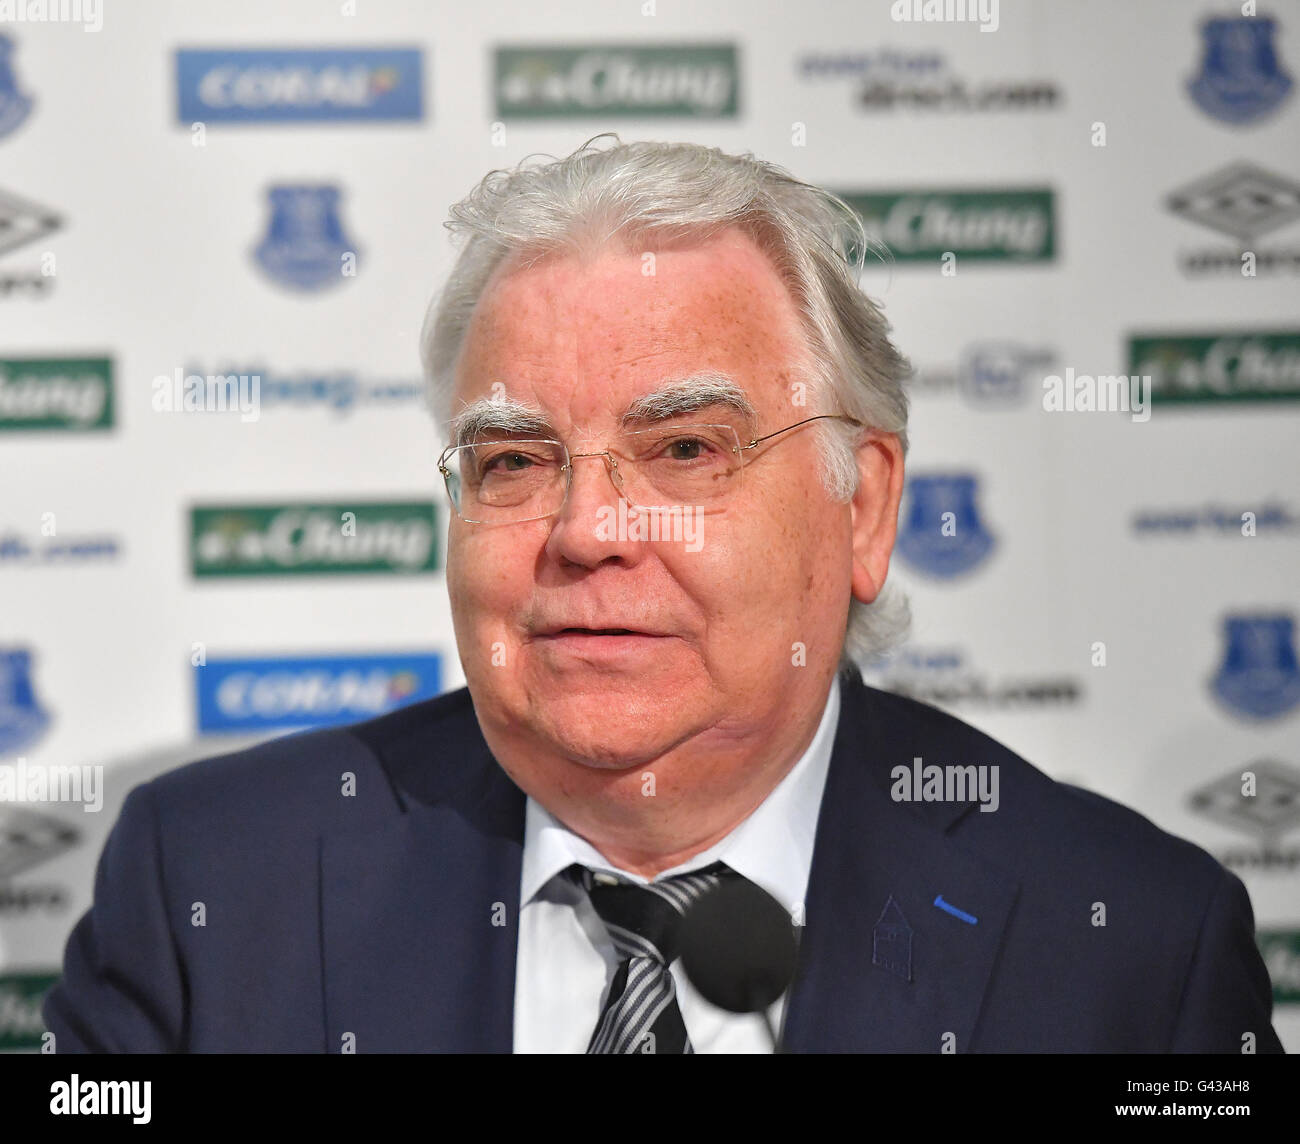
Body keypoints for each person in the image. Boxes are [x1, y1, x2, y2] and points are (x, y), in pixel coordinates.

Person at [43, 136, 1282, 1053]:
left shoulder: (1130, 948)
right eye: (515, 461)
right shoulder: (208, 889)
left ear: (863, 508)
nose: (588, 531)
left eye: (686, 450)